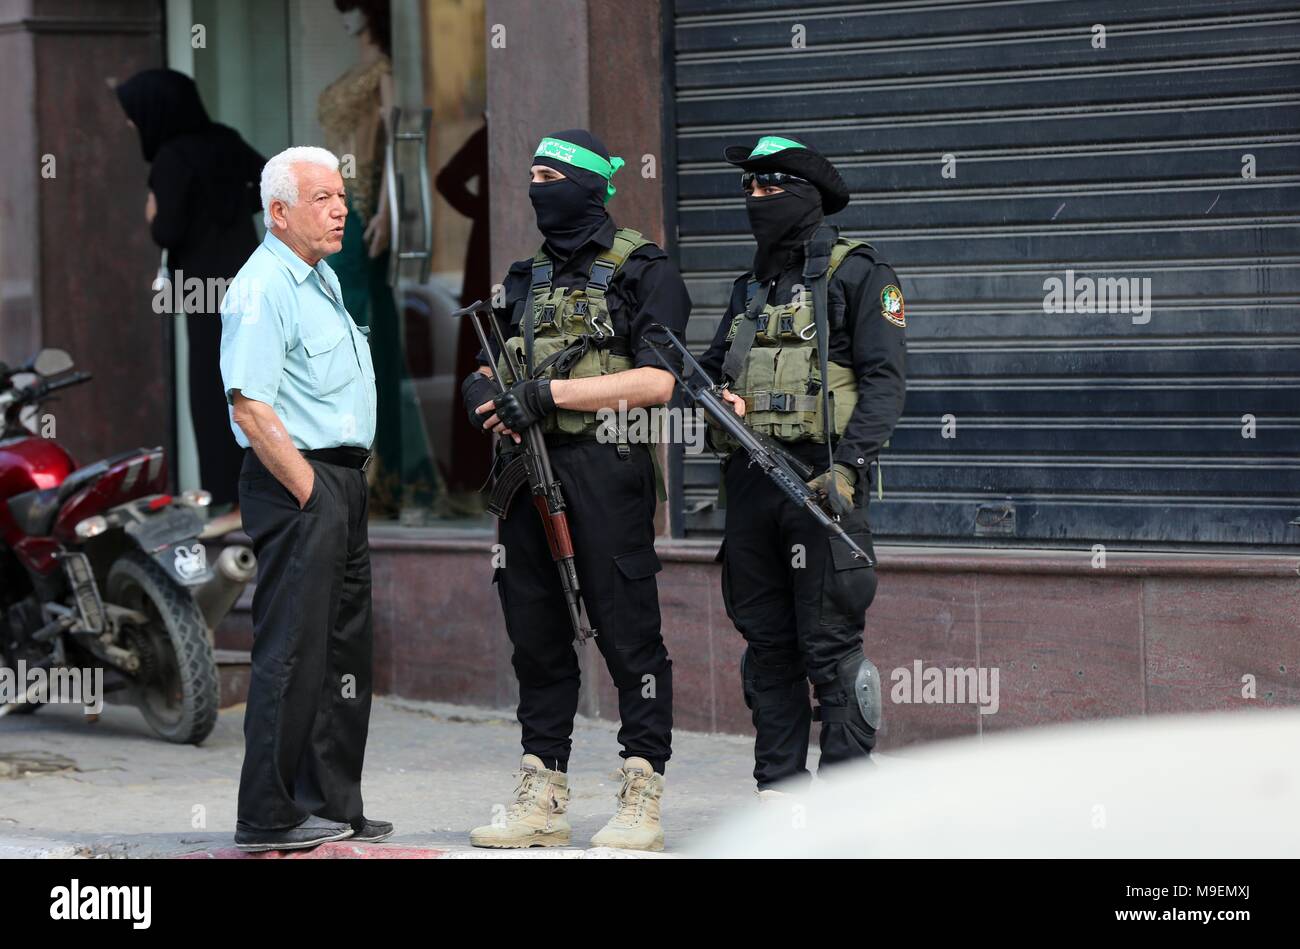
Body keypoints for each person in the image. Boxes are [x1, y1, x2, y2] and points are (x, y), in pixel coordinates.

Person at [462, 130, 691, 851]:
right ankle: (543, 789)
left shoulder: (644, 270)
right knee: (536, 635)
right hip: (526, 471)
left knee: (629, 636)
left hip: (605, 470)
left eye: (548, 174)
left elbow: (658, 380)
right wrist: (488, 396)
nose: (536, 187)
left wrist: (553, 392)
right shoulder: (521, 278)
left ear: (588, 185)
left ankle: (642, 788)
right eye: (531, 174)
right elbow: (489, 365)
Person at [697, 135, 906, 796]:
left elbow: (885, 383)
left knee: (832, 653)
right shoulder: (750, 286)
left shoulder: (859, 273)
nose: (756, 200)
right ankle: (780, 802)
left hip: (822, 488)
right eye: (749, 188)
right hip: (751, 490)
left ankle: (844, 811)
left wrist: (848, 470)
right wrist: (712, 394)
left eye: (771, 187)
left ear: (807, 195)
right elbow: (703, 367)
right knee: (767, 655)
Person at [219, 146, 389, 852]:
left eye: (342, 195)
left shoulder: (317, 279)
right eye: (323, 197)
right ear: (279, 212)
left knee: (344, 651)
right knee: (292, 651)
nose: (341, 207)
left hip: (339, 483)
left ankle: (330, 801)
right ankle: (267, 812)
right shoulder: (264, 286)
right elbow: (251, 405)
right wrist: (313, 491)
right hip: (299, 483)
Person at [116, 69, 265, 531]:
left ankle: (230, 501)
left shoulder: (170, 158)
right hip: (247, 280)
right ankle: (257, 495)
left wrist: (153, 213)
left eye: (134, 115)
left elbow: (168, 231)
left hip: (201, 289)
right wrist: (229, 209)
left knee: (211, 390)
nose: (130, 125)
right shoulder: (225, 139)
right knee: (251, 384)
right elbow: (269, 184)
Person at [318, 0, 440, 519]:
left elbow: (398, 149)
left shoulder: (383, 74)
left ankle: (381, 475)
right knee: (337, 335)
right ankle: (348, 468)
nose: (345, 17)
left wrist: (389, 213)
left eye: (350, 7)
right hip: (333, 208)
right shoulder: (354, 74)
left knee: (362, 334)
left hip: (363, 213)